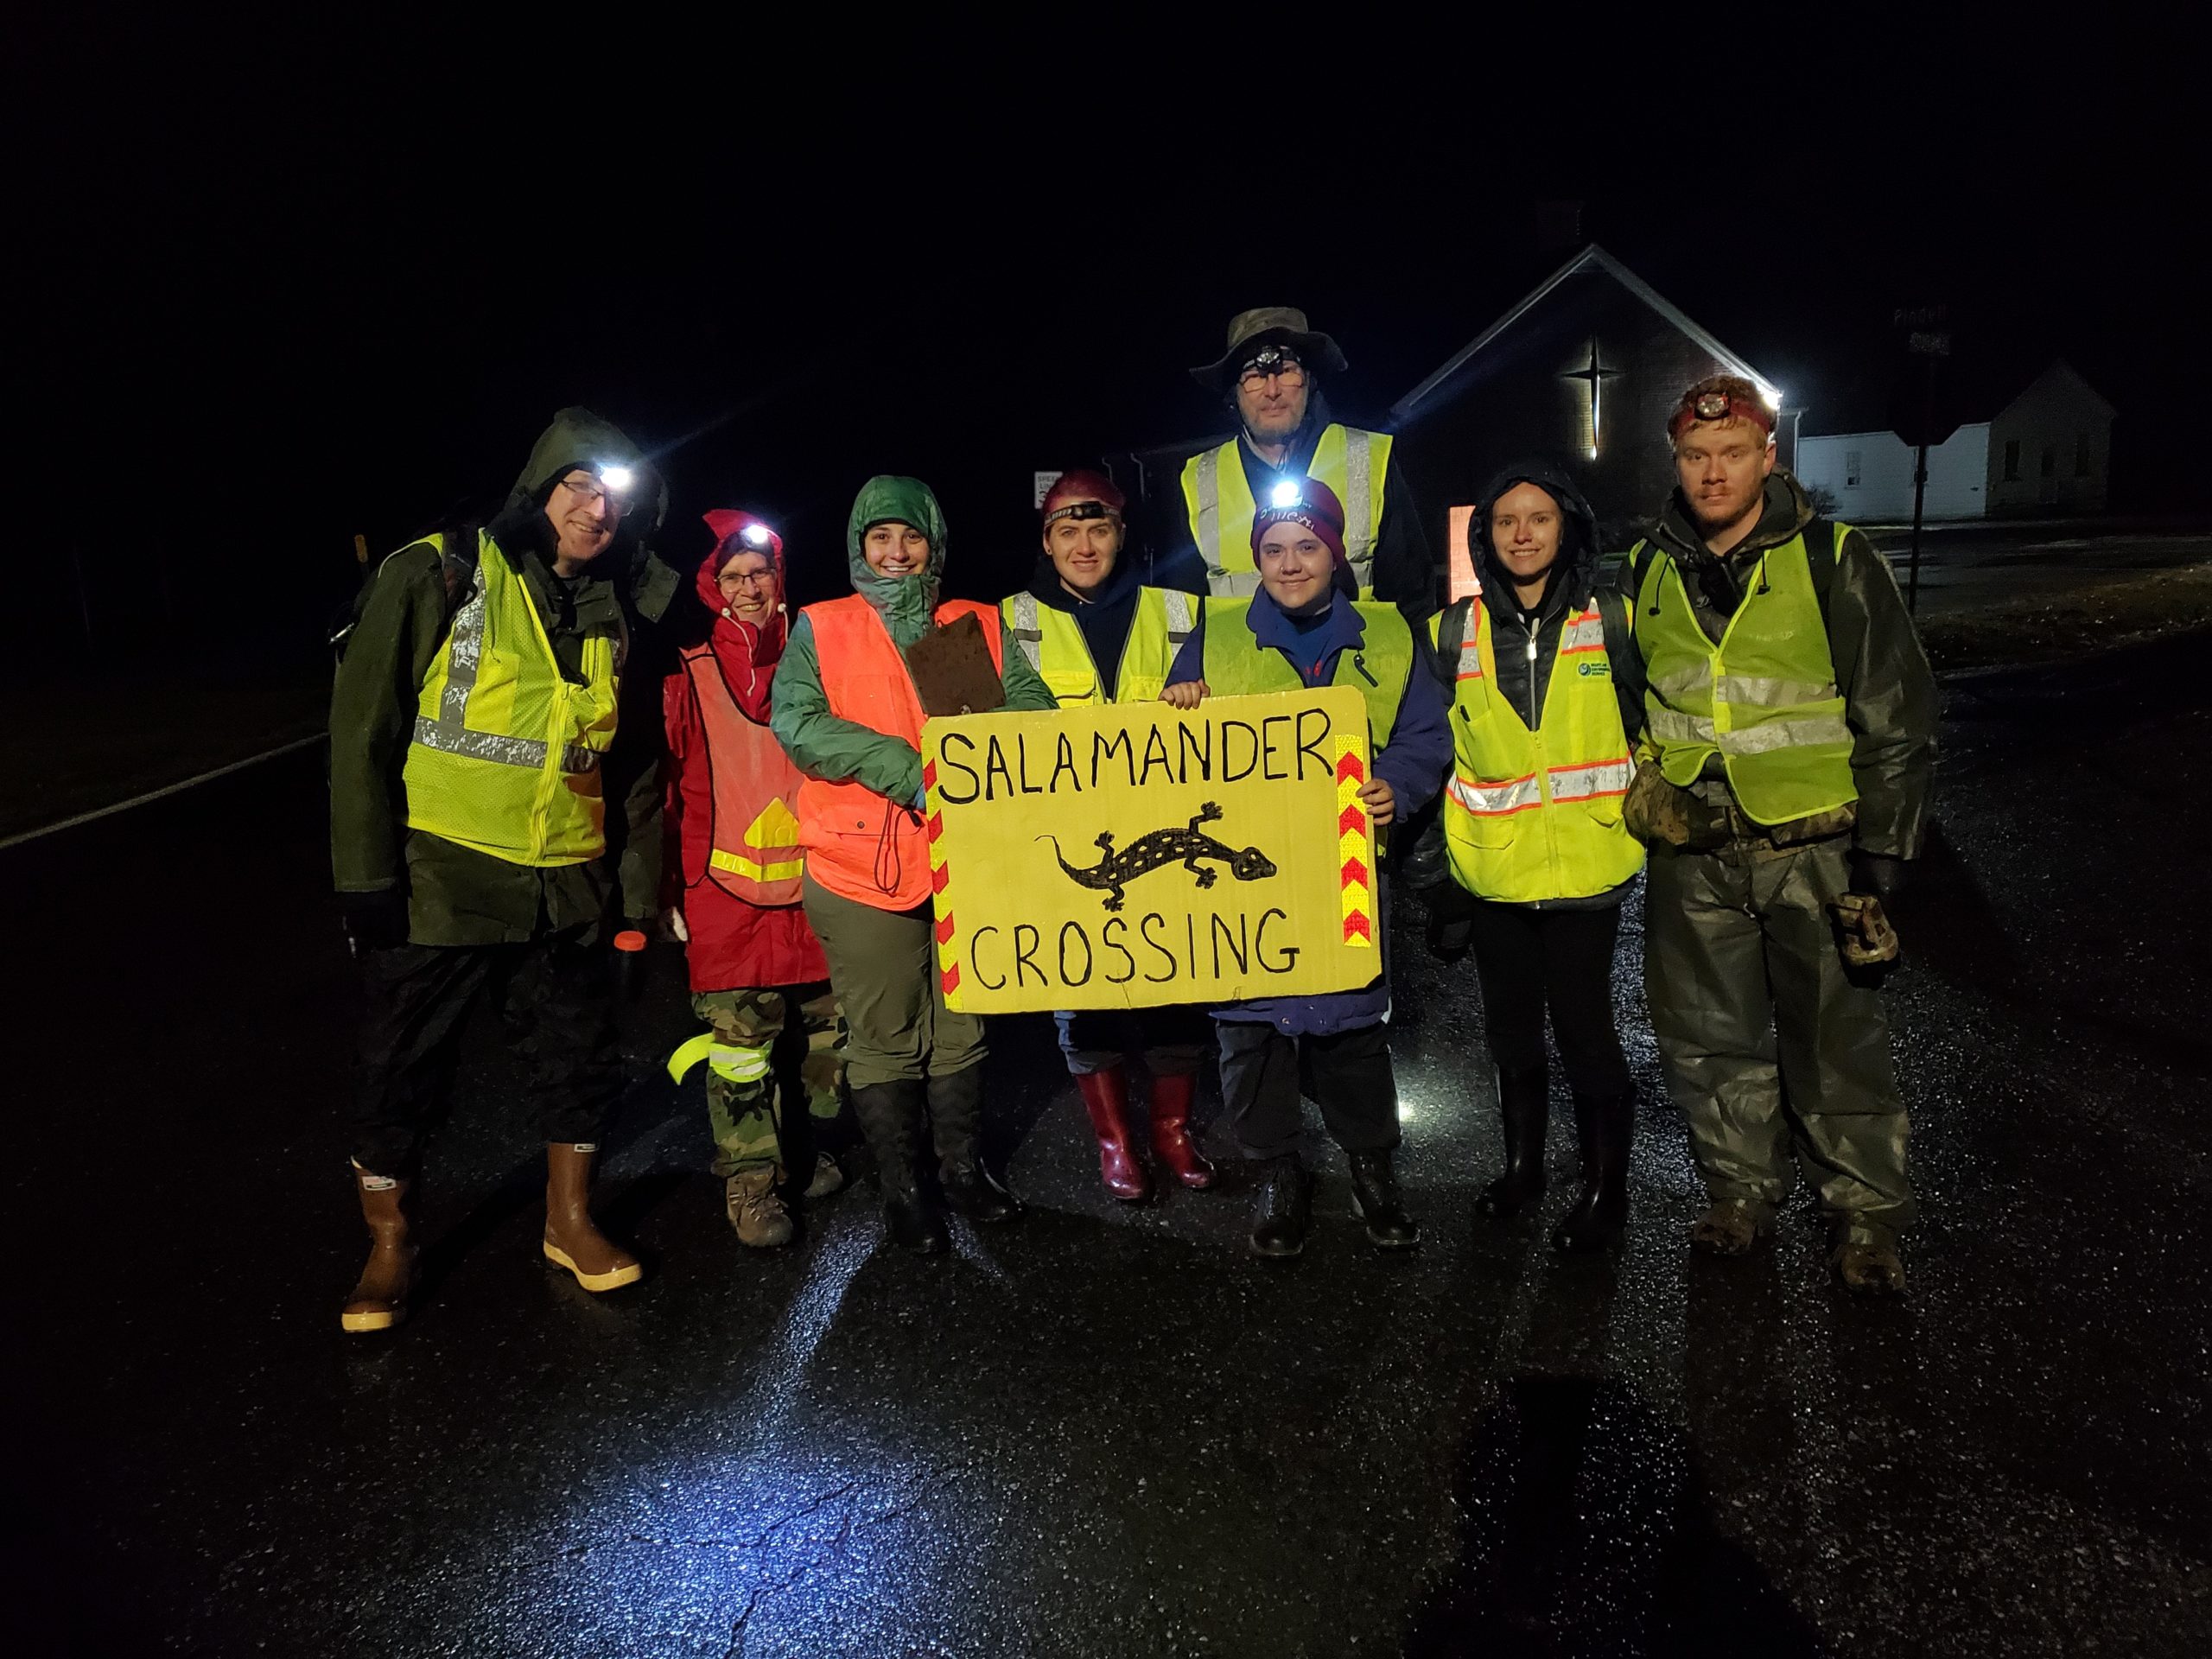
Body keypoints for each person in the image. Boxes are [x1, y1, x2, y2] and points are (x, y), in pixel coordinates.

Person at [328, 408, 671, 1332]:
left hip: (563, 881)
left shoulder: (617, 606)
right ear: (543, 487)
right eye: (579, 487)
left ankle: (569, 1220)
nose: (596, 510)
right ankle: (391, 1242)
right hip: (442, 872)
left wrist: (635, 892)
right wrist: (364, 877)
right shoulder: (442, 569)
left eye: (613, 497)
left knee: (576, 1059)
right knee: (401, 1067)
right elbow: (363, 727)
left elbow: (631, 763)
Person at [1622, 375, 1937, 1293]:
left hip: (1814, 847)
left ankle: (1866, 1216)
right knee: (1708, 1036)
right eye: (1693, 456)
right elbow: (1640, 695)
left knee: (1835, 1036)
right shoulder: (1648, 565)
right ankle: (1737, 1193)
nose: (1712, 472)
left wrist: (1885, 851)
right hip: (1694, 849)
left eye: (1731, 454)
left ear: (1768, 456)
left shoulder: (1834, 557)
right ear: (1674, 464)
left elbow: (1896, 709)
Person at [1160, 479, 1452, 1256]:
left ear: (1333, 553)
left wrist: (1400, 782)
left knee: (1352, 1032)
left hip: (1345, 871)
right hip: (1241, 883)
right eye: (1274, 550)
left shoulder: (1388, 635)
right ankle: (1278, 1172)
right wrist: (1178, 699)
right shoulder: (1213, 635)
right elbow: (1171, 756)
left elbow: (1425, 733)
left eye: (1308, 548)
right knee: (1250, 1038)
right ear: (1257, 558)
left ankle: (1371, 1169)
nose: (1291, 565)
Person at [770, 476, 1058, 1255]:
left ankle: (962, 1172)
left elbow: (1035, 711)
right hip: (860, 868)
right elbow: (796, 723)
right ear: (859, 547)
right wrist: (902, 764)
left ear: (935, 543)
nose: (897, 553)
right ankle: (906, 1192)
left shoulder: (970, 622)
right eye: (880, 538)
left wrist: (976, 736)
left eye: (912, 538)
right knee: (886, 1035)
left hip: (966, 859)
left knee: (961, 1027)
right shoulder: (822, 626)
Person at [1432, 461, 1646, 1253]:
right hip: (1494, 877)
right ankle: (1522, 1169)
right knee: (1511, 1035)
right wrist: (1440, 882)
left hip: (1588, 875)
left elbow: (1653, 724)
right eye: (1504, 521)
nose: (1522, 534)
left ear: (1568, 529)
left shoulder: (1613, 620)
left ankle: (1604, 1190)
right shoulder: (1452, 631)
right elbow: (1437, 754)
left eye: (1540, 519)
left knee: (1589, 1033)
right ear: (1484, 536)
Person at [1000, 469, 1217, 1203]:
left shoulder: (1182, 611)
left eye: (1099, 530)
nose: (1085, 546)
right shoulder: (1012, 619)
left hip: (1162, 829)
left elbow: (1222, 710)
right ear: (1047, 543)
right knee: (1082, 990)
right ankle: (1114, 1139)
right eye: (1068, 532)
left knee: (1176, 985)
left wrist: (1199, 694)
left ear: (1123, 535)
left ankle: (1172, 1131)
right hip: (1068, 835)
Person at [662, 510, 849, 1248]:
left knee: (824, 1039)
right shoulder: (689, 665)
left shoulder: (822, 649)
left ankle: (801, 1150)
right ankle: (751, 1179)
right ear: (713, 585)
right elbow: (667, 782)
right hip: (725, 893)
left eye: (759, 574)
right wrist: (665, 892)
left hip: (820, 881)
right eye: (732, 576)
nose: (747, 589)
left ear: (779, 579)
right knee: (742, 1049)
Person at [1157, 307, 1433, 614]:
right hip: (1244, 664)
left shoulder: (1368, 457)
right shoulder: (1198, 479)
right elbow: (1179, 610)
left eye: (1286, 371)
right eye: (1254, 377)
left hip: (1355, 661)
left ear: (1310, 380)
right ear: (1234, 395)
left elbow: (1414, 598)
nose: (1272, 391)